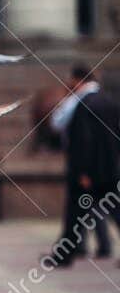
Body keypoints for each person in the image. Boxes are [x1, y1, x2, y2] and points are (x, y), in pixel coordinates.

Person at [47, 65, 120, 266]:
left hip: (87, 173)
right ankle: (64, 255)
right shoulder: (109, 101)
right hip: (110, 169)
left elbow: (83, 141)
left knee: (74, 216)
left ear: (78, 80)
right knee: (115, 211)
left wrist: (83, 172)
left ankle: (64, 256)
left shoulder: (83, 105)